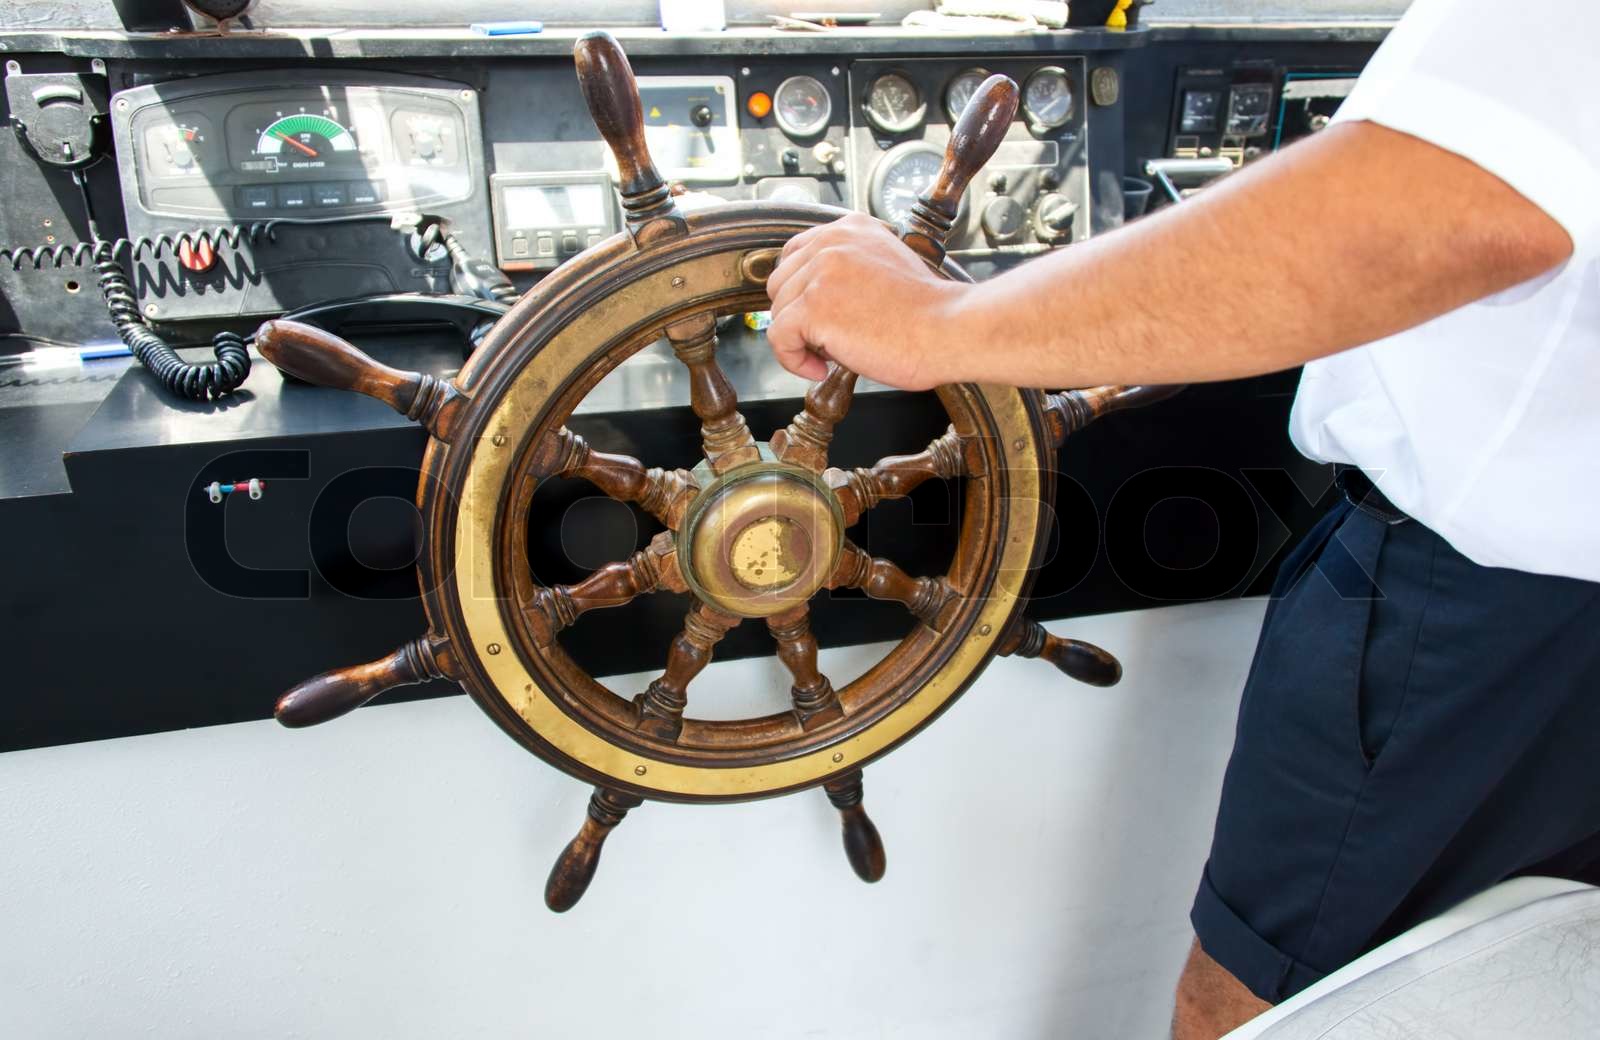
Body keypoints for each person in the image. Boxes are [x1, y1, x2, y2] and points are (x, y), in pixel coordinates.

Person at [764, 1, 1600, 1037]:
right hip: (1534, 611)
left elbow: (1434, 213)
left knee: (1261, 1011)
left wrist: (937, 322)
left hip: (1481, 631)